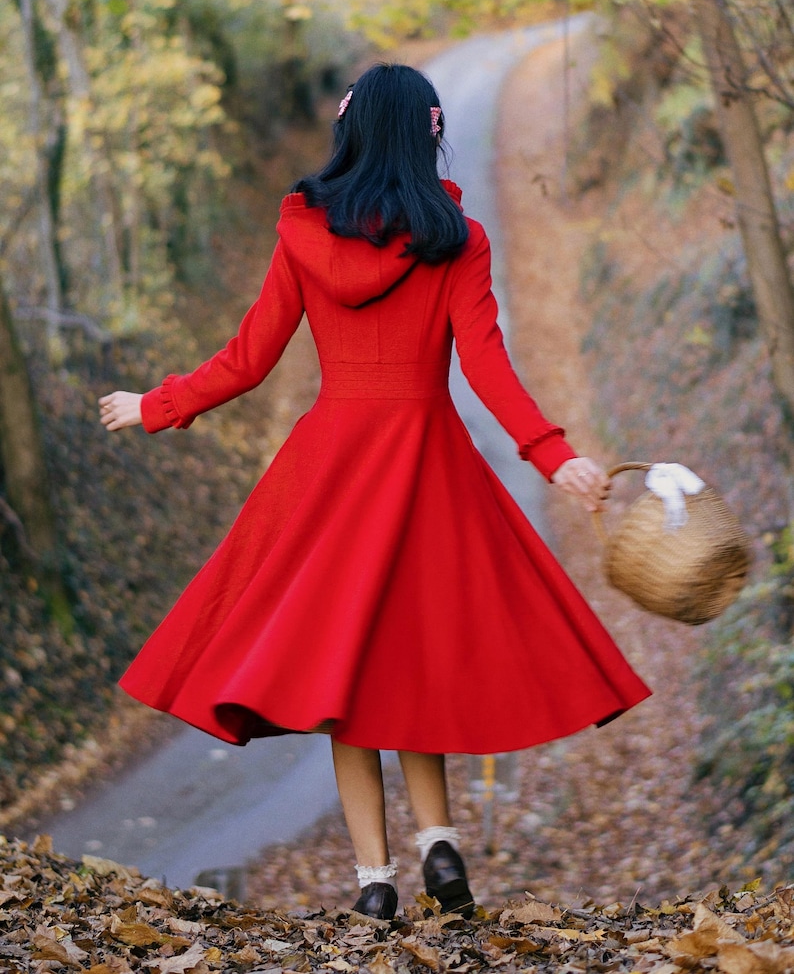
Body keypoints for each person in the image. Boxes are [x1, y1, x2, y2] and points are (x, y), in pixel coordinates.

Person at [99, 62, 650, 920]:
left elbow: (249, 357)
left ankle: (373, 878)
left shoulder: (303, 236)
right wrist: (551, 455)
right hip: (428, 463)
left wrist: (157, 405)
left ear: (350, 131)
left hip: (332, 468)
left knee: (341, 671)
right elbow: (488, 365)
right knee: (411, 658)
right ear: (429, 132)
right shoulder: (456, 238)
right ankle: (438, 838)